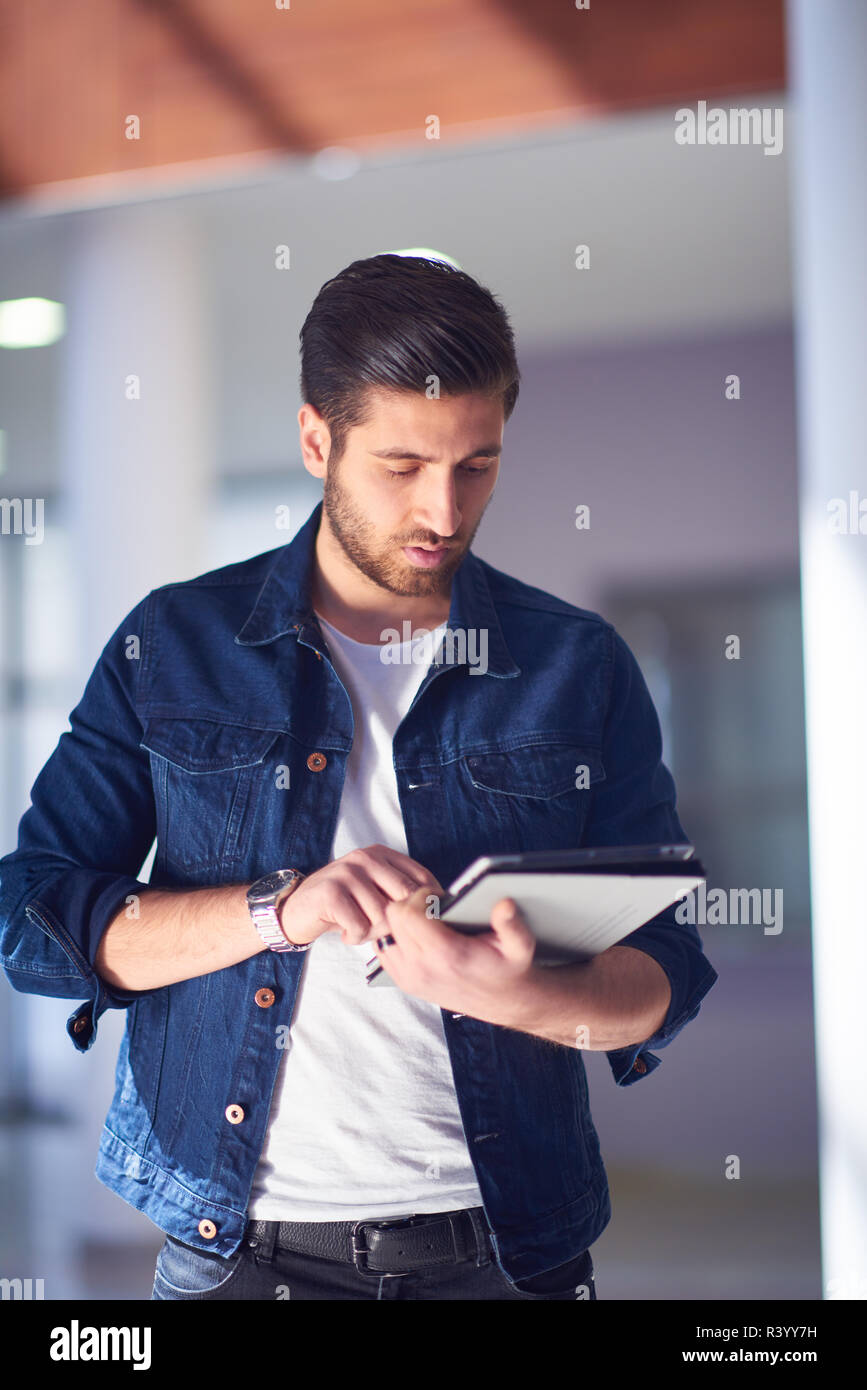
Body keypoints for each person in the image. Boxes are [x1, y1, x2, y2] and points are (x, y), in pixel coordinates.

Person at [0, 252, 717, 1301]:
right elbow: (31, 918)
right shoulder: (174, 642)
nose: (443, 508)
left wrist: (528, 992)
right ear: (314, 440)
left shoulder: (578, 663)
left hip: (507, 1258)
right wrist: (276, 909)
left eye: (478, 465)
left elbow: (662, 973)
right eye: (402, 466)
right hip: (233, 1256)